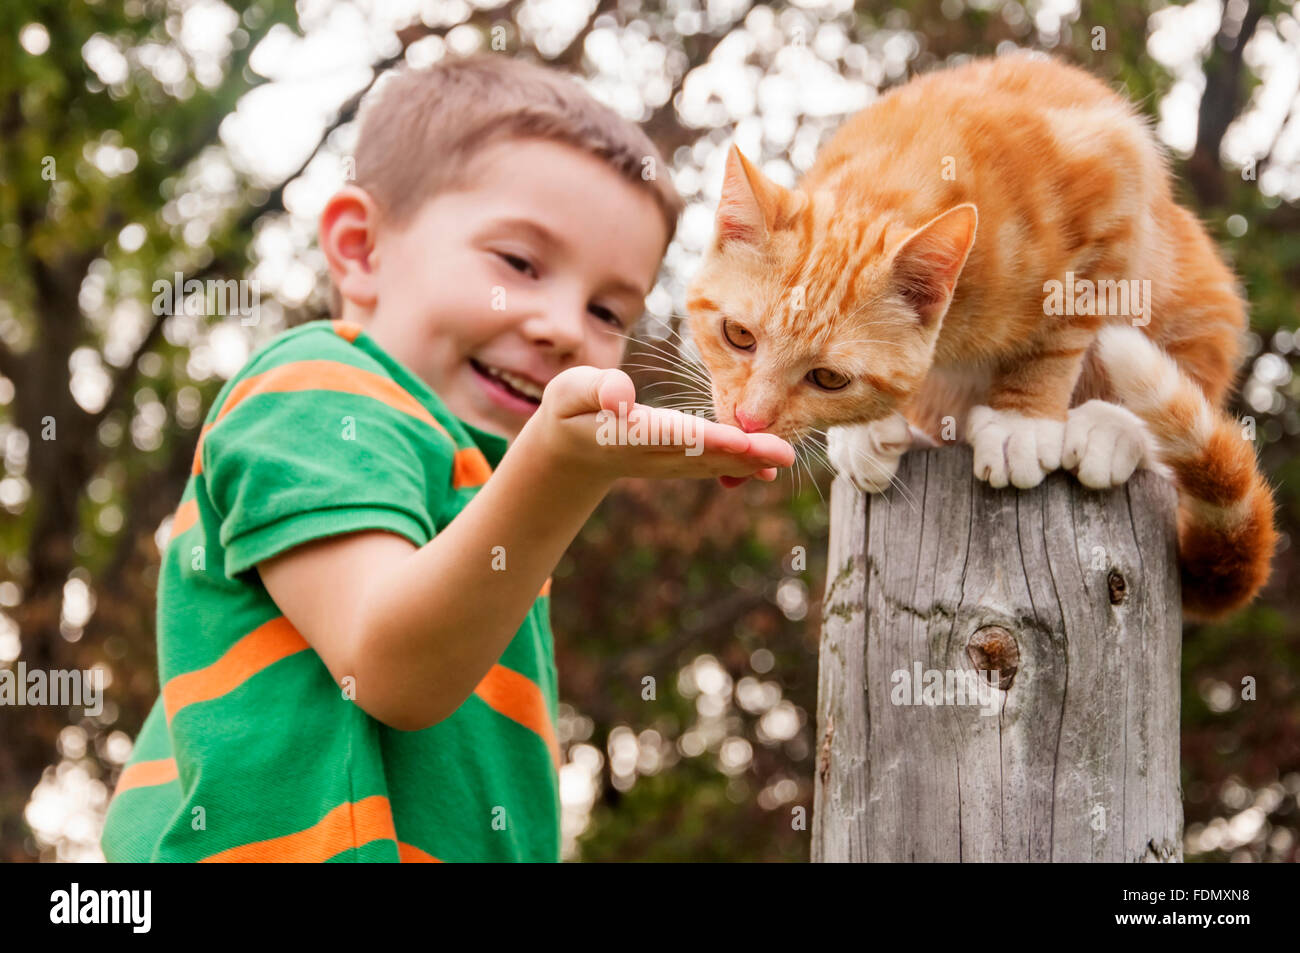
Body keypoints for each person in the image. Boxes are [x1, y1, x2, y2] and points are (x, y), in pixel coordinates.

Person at [100, 53, 793, 862]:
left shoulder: (483, 496)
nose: (566, 327)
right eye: (519, 264)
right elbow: (390, 669)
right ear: (360, 250)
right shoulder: (316, 387)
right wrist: (563, 472)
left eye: (609, 309)